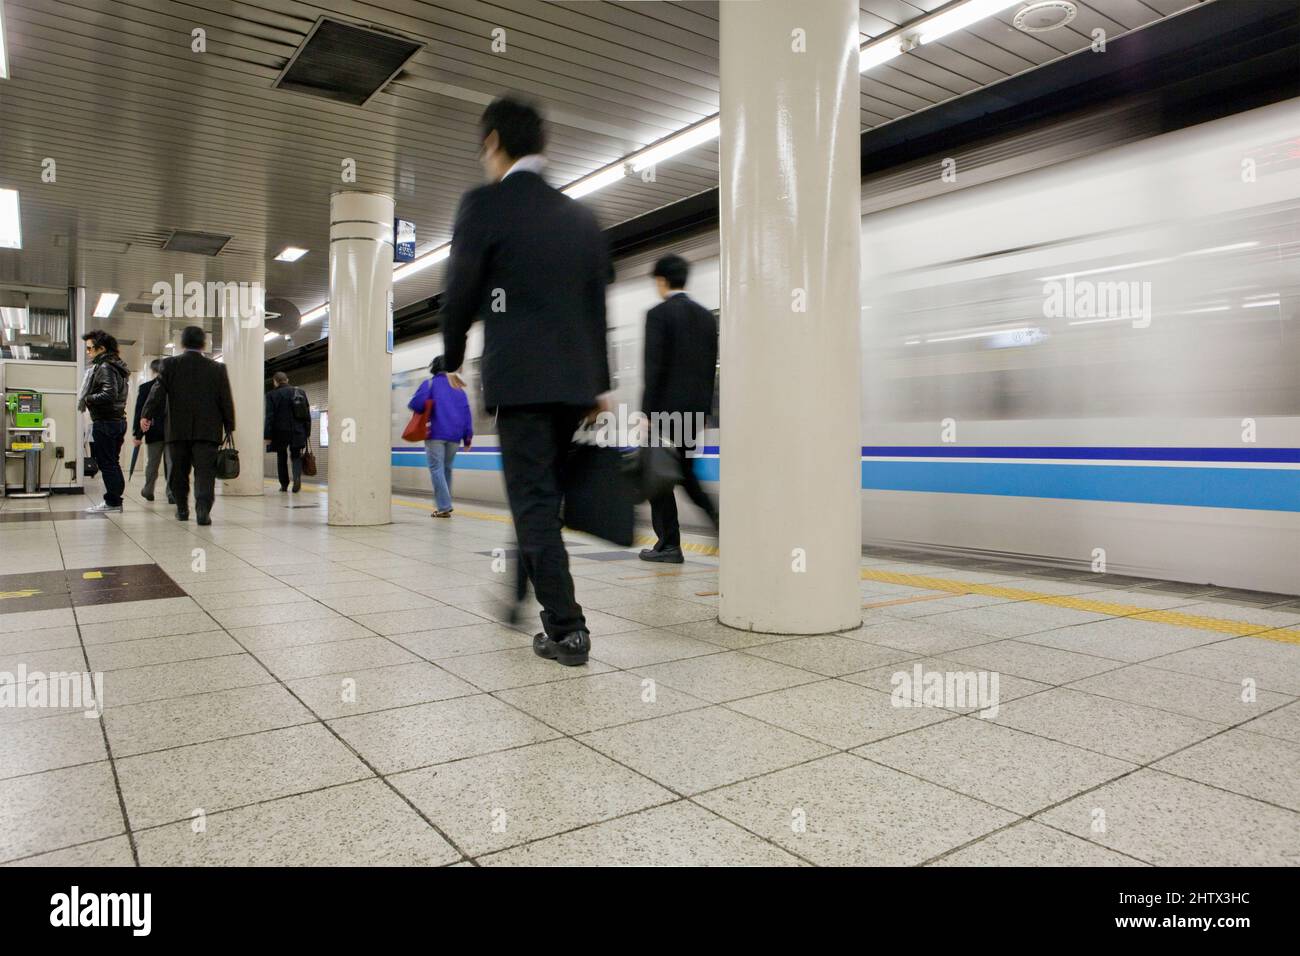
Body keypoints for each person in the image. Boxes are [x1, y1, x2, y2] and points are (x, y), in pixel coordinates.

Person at [440, 95, 612, 668]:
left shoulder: (486, 205)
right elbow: (595, 306)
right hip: (574, 387)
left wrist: (452, 356)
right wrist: (599, 385)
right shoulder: (580, 216)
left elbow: (461, 292)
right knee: (539, 496)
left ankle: (567, 629)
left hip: (522, 384)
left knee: (535, 501)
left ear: (493, 143)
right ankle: (517, 594)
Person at [639, 254, 720, 563]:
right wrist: (702, 413)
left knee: (658, 478)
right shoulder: (704, 317)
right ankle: (718, 521)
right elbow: (708, 369)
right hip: (692, 414)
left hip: (664, 413)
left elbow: (654, 367)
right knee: (685, 472)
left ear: (661, 281)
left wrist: (647, 413)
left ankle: (669, 544)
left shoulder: (658, 314)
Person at [140, 325, 235, 526]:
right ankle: (202, 512)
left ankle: (182, 509)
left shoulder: (170, 364)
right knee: (205, 473)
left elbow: (156, 392)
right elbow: (225, 398)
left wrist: (146, 415)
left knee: (178, 472)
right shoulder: (217, 368)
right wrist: (229, 425)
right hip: (208, 431)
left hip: (177, 430)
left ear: (182, 343)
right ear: (204, 344)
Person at [407, 356, 473, 517]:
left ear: (434, 368)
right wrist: (468, 438)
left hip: (435, 433)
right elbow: (466, 414)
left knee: (436, 469)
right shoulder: (459, 389)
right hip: (455, 437)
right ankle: (444, 505)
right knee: (446, 469)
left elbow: (415, 404)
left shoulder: (429, 384)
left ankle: (444, 506)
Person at [78, 330, 130, 514]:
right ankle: (115, 500)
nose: (88, 352)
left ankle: (113, 502)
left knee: (107, 463)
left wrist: (88, 398)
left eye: (90, 348)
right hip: (116, 420)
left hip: (106, 422)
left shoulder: (105, 366)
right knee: (112, 462)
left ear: (102, 348)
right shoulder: (117, 366)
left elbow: (109, 394)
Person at [132, 358, 173, 504]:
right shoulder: (175, 387)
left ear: (154, 370)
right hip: (173, 432)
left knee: (152, 463)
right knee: (171, 463)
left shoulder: (145, 387)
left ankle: (148, 490)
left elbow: (140, 413)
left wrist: (138, 434)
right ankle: (171, 493)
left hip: (153, 430)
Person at [263, 371, 310, 493]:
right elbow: (306, 415)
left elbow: (269, 417)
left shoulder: (271, 395)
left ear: (275, 382)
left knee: (281, 456)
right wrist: (307, 432)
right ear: (287, 380)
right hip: (298, 431)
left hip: (280, 431)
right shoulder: (300, 392)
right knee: (296, 456)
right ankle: (297, 479)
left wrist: (267, 435)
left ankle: (284, 484)